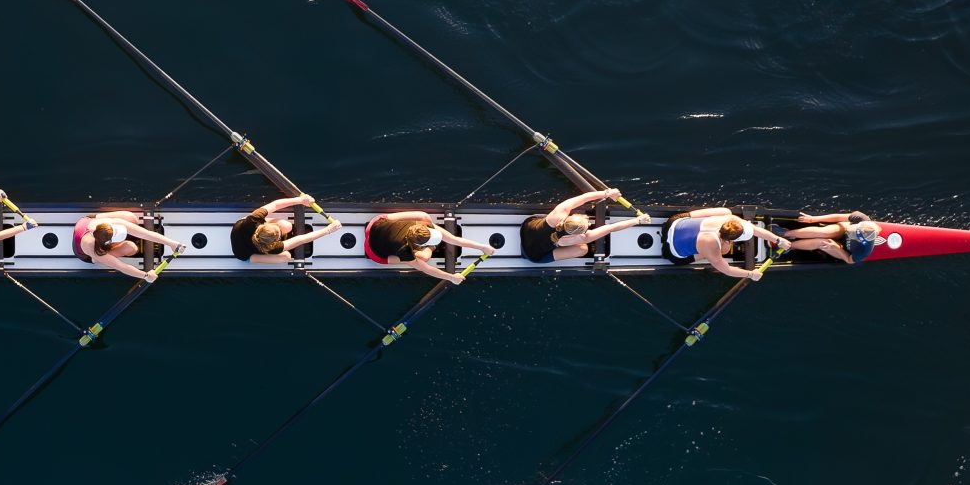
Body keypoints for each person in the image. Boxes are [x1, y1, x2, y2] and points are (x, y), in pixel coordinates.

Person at [519, 187, 654, 264]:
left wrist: (607, 193)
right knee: (583, 249)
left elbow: (584, 197)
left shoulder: (559, 213)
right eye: (587, 225)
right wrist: (638, 221)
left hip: (526, 228)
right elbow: (611, 228)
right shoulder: (581, 239)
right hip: (534, 256)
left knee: (543, 225)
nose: (589, 223)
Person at [361, 209, 494, 283]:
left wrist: (483, 247)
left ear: (423, 226)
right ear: (420, 244)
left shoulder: (422, 219)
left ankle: (432, 247)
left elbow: (453, 239)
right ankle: (432, 247)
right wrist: (452, 277)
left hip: (374, 225)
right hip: (373, 251)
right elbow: (426, 268)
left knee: (420, 216)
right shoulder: (404, 250)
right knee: (424, 258)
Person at [661, 205, 789, 281]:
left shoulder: (729, 218)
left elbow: (755, 230)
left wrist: (779, 240)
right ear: (729, 240)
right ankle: (701, 252)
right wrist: (751, 274)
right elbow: (726, 270)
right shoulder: (713, 246)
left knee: (725, 211)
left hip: (672, 222)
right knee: (723, 251)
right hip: (672, 253)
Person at [75, 207, 188, 282]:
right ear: (108, 243)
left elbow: (146, 234)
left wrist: (172, 244)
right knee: (130, 248)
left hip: (86, 221)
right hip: (87, 253)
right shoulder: (91, 247)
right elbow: (121, 266)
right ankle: (104, 255)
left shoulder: (111, 224)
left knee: (131, 218)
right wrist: (146, 276)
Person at [230, 194, 343, 263]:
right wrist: (328, 230)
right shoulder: (272, 248)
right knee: (286, 257)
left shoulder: (253, 219)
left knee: (287, 226)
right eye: (279, 236)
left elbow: (275, 205)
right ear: (273, 242)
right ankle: (250, 260)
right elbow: (301, 239)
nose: (280, 234)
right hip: (242, 253)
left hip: (240, 228)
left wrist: (301, 200)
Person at [783, 209, 886, 264]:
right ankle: (785, 234)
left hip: (842, 248)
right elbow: (837, 217)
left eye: (853, 233)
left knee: (823, 243)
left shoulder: (865, 251)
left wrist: (836, 248)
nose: (850, 231)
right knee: (823, 232)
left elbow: (849, 260)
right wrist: (813, 219)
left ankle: (788, 245)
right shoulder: (862, 218)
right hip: (841, 231)